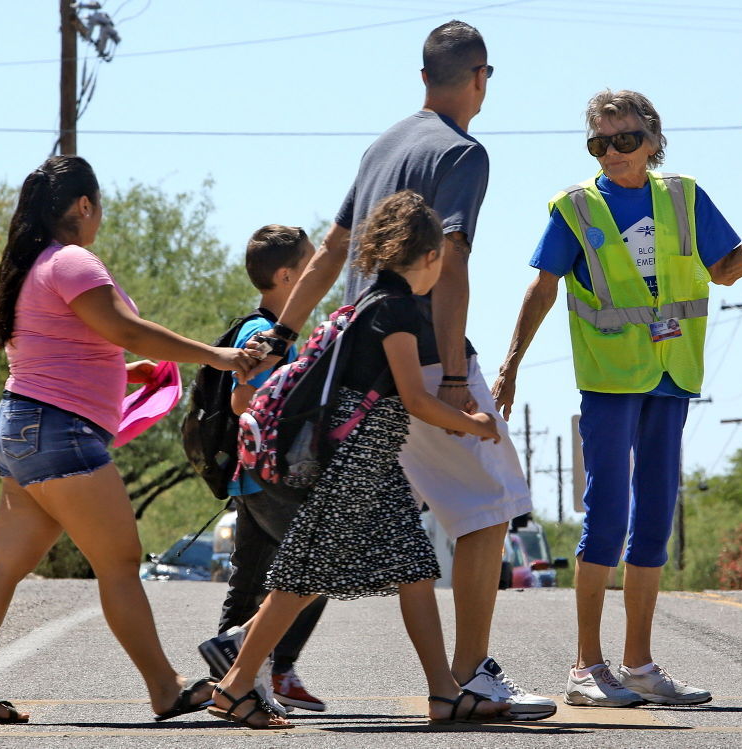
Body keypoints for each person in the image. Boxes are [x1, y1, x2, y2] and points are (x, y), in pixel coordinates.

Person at [246, 20, 553, 720]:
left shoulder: (382, 144)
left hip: (359, 370)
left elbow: (328, 251)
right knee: (492, 502)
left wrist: (285, 333)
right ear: (480, 78)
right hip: (415, 361)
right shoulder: (462, 153)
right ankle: (470, 675)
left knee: (353, 529)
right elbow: (452, 264)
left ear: (423, 78)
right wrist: (449, 375)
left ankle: (242, 650)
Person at [492, 89, 742, 708]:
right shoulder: (577, 207)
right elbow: (542, 287)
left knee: (655, 518)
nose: (613, 152)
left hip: (672, 374)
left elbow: (727, 268)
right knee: (606, 514)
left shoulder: (684, 197)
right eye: (601, 142)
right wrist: (510, 367)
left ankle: (637, 663)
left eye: (626, 139)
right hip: (611, 377)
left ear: (654, 140)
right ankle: (587, 667)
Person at [0, 155, 256, 724]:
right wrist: (218, 355)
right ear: (83, 206)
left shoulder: (32, 264)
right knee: (120, 560)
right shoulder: (73, 260)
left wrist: (121, 371)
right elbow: (123, 328)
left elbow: (63, 345)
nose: (100, 216)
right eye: (99, 206)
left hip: (23, 427)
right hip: (59, 431)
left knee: (3, 565)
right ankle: (165, 687)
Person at [208, 191, 510, 729]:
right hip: (353, 464)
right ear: (428, 256)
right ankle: (235, 686)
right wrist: (476, 425)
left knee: (410, 570)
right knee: (300, 578)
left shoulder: (374, 302)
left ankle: (444, 693)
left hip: (372, 462)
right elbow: (416, 400)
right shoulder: (394, 310)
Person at [196, 225, 328, 713]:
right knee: (318, 563)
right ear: (287, 274)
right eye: (312, 265)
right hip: (267, 476)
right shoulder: (264, 332)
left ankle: (233, 677)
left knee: (251, 584)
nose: (321, 273)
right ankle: (271, 669)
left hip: (254, 477)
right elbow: (242, 399)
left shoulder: (274, 328)